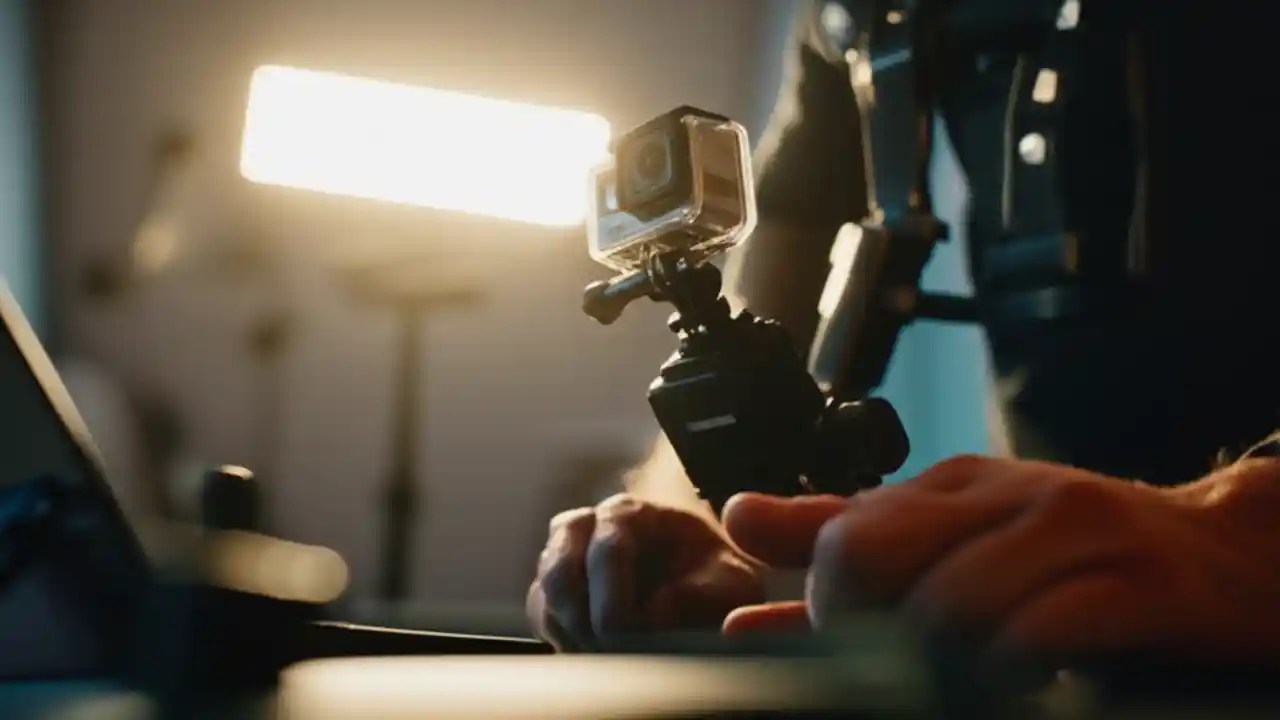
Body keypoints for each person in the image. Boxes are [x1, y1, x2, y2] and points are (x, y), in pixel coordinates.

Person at [527, 0, 1280, 673]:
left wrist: (1244, 533)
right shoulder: (851, 19)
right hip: (1048, 637)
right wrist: (705, 530)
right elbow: (775, 274)